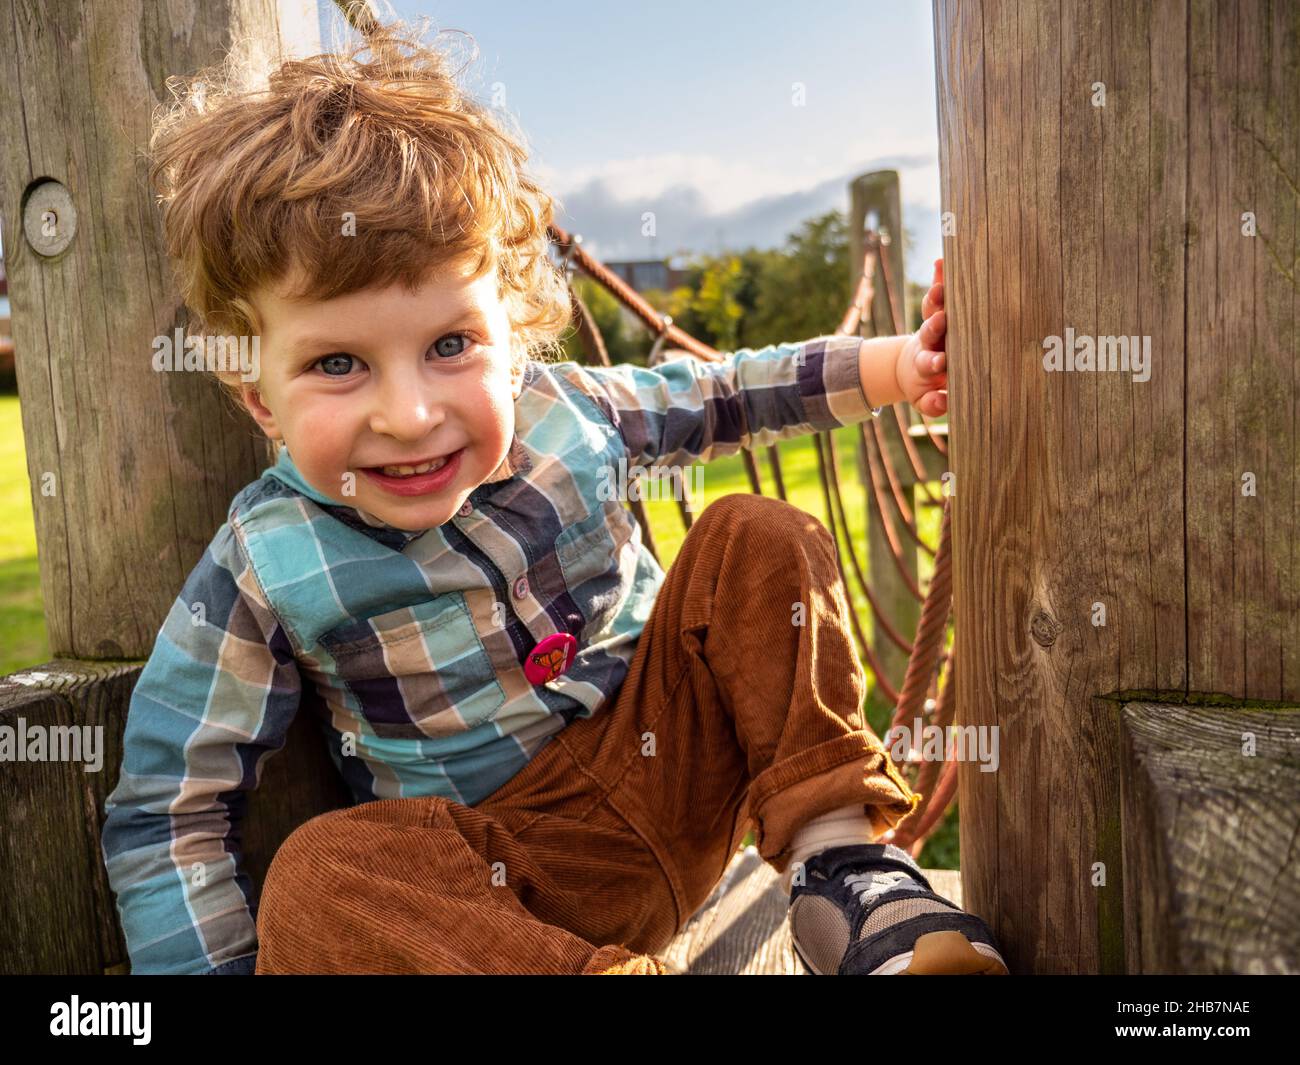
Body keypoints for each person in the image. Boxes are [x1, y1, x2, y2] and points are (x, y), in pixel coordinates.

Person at [100, 17, 1007, 977]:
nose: (410, 415)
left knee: (754, 534)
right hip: (513, 880)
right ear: (260, 399)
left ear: (515, 325)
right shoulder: (267, 560)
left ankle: (846, 869)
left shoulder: (571, 413)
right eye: (336, 363)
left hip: (689, 770)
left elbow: (733, 394)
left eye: (451, 345)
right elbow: (169, 807)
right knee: (322, 877)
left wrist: (902, 363)